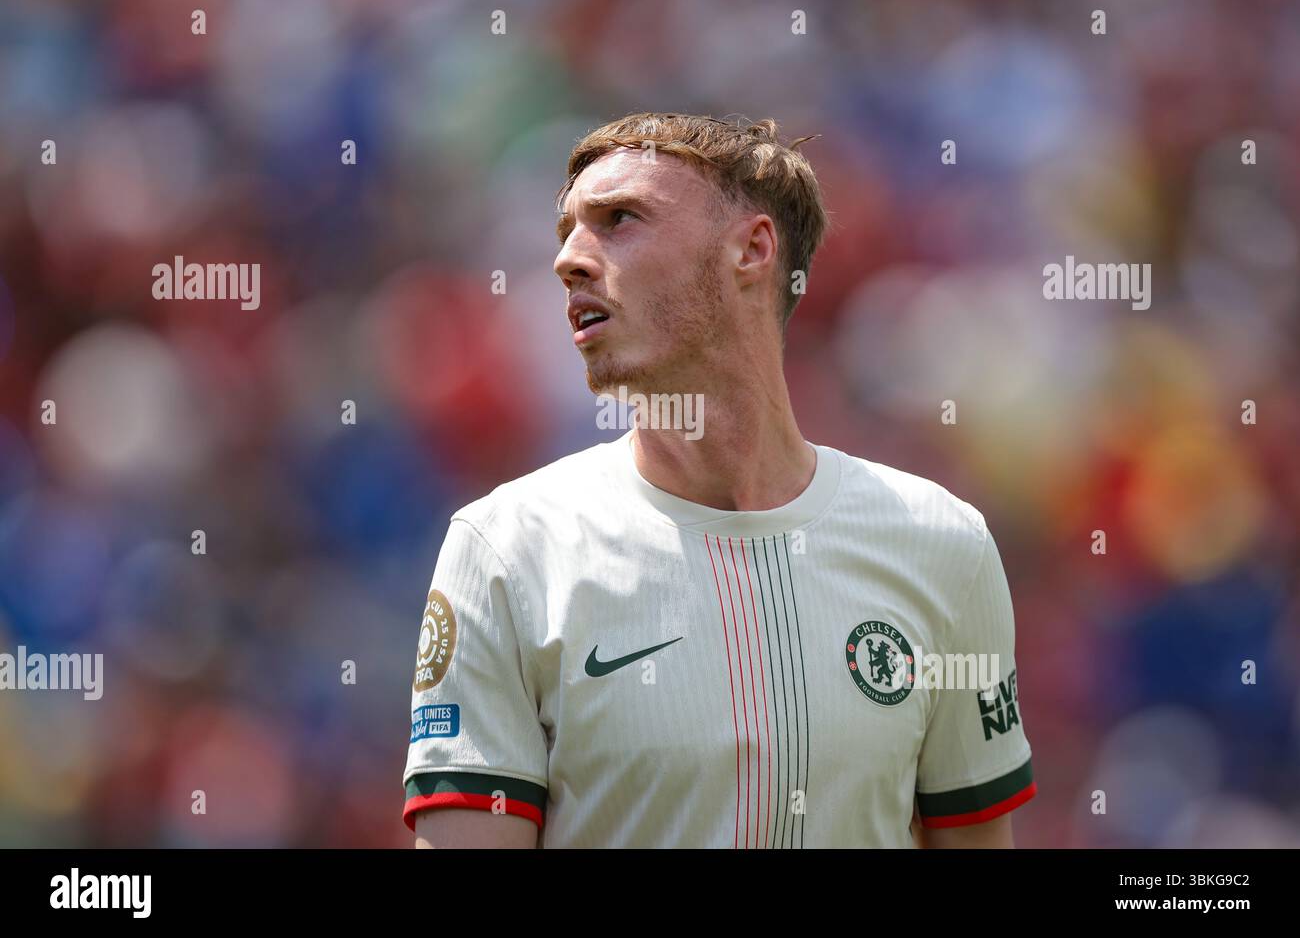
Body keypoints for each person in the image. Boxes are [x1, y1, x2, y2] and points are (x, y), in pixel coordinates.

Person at [403, 112, 1035, 847]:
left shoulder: (942, 545)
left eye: (619, 220)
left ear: (752, 250)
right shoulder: (506, 548)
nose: (569, 259)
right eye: (567, 230)